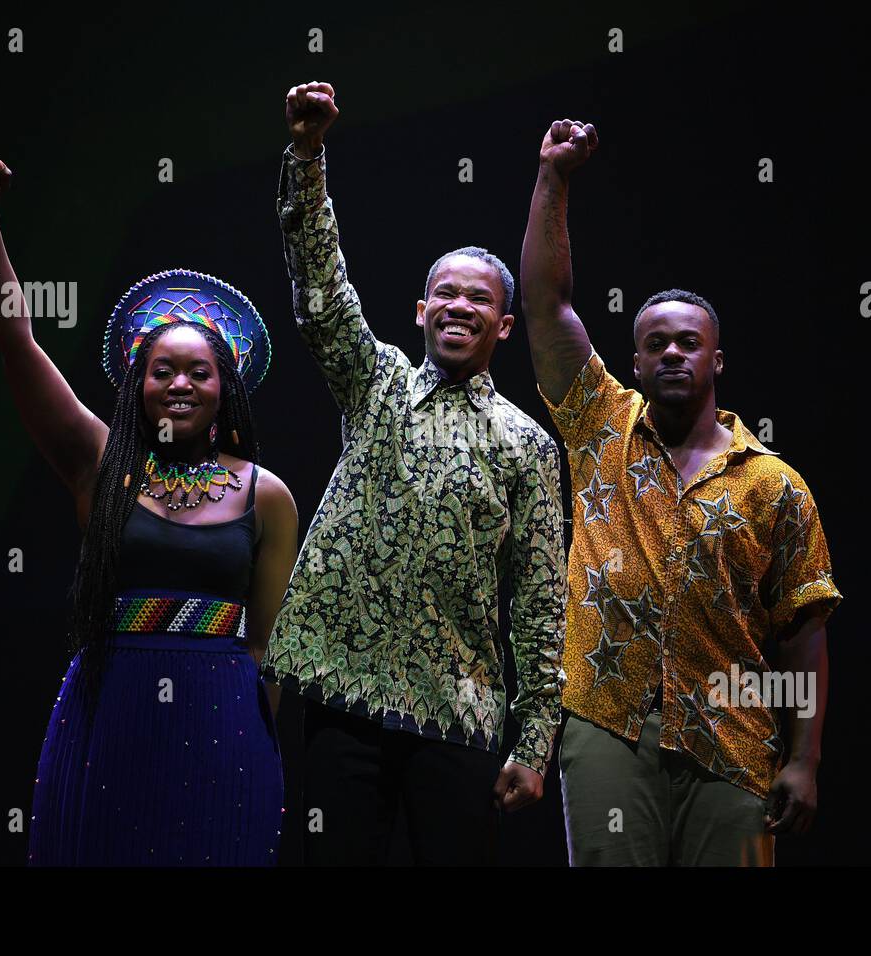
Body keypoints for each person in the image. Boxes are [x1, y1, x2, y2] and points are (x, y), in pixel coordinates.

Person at [518, 120, 843, 866]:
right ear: (633, 360)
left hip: (732, 733)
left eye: (687, 342)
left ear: (716, 359)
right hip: (607, 719)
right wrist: (553, 177)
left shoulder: (775, 484)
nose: (671, 352)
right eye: (656, 342)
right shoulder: (600, 423)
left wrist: (805, 760)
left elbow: (804, 632)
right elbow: (544, 302)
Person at [0, 156, 298, 865]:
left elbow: (267, 647)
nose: (179, 383)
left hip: (223, 726)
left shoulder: (265, 493)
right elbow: (14, 342)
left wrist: (258, 755)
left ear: (223, 389)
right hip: (110, 714)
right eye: (162, 370)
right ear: (137, 383)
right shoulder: (101, 463)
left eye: (198, 372)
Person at [263, 82, 568, 865]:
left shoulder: (527, 443)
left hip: (458, 717)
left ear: (503, 324)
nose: (459, 305)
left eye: (478, 298)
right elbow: (322, 293)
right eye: (445, 294)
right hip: (344, 694)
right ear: (421, 311)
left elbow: (540, 601)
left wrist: (533, 742)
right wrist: (306, 156)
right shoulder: (378, 386)